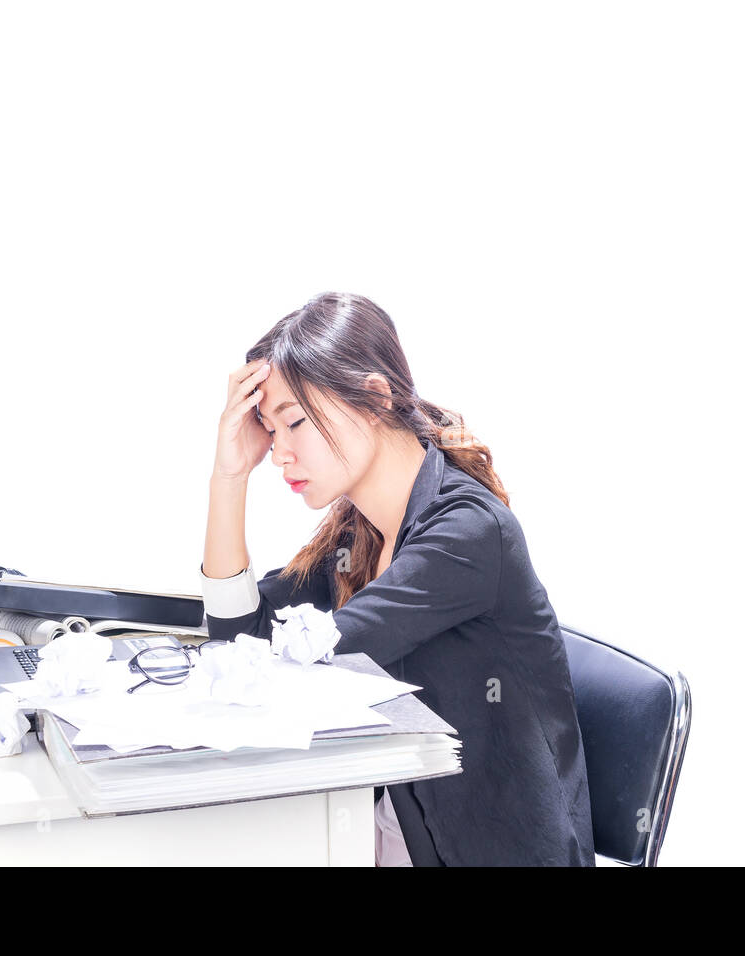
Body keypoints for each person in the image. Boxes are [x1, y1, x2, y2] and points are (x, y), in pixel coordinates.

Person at [199, 292, 595, 866]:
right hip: (401, 833)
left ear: (376, 396)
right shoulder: (357, 536)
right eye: (267, 428)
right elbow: (241, 643)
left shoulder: (467, 533)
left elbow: (298, 669)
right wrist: (229, 476)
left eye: (294, 422)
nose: (278, 451)